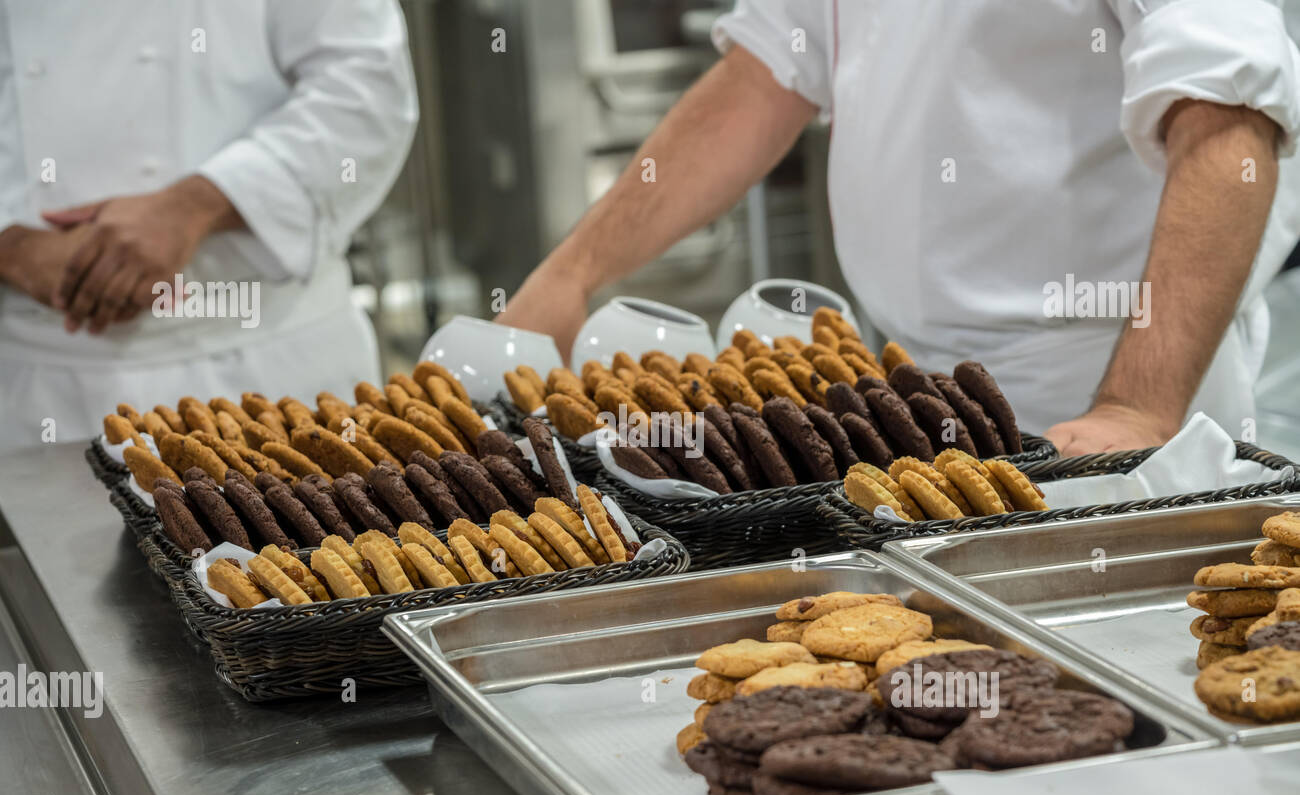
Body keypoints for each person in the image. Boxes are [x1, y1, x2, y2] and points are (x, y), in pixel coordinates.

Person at [500, 0, 1300, 455]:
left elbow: (1229, 116)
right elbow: (760, 80)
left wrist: (1136, 408)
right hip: (908, 406)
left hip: (1105, 405)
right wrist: (572, 273)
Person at [0, 0, 418, 453]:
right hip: (40, 380)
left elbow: (366, 87)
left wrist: (197, 203)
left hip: (269, 363)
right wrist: (12, 244)